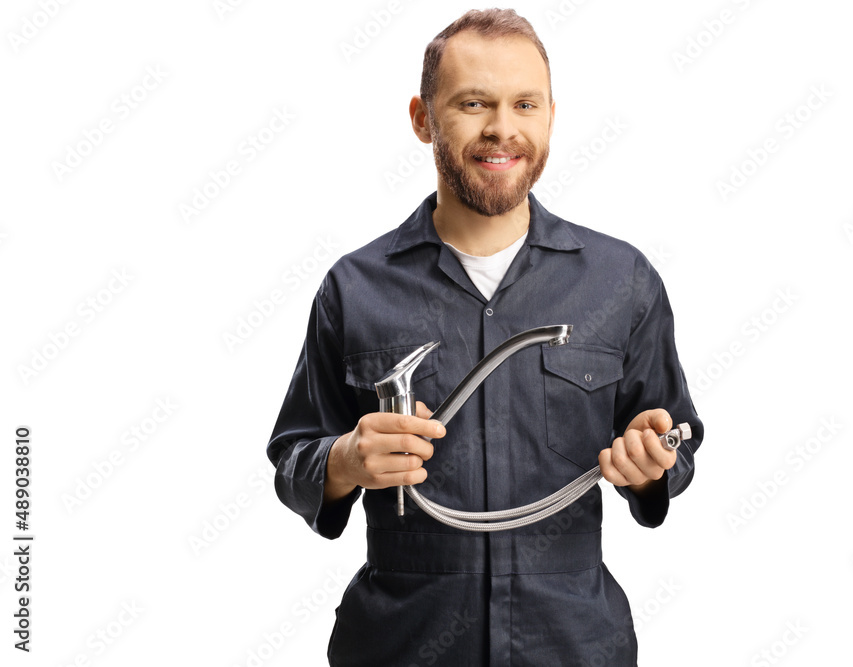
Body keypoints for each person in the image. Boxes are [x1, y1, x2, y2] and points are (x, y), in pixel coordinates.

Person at [267, 8, 704, 666]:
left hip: (574, 647)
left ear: (550, 115)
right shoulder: (354, 289)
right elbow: (292, 458)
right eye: (474, 103)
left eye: (524, 104)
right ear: (422, 118)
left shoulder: (623, 281)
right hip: (399, 646)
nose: (503, 129)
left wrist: (653, 465)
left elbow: (679, 444)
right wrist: (344, 461)